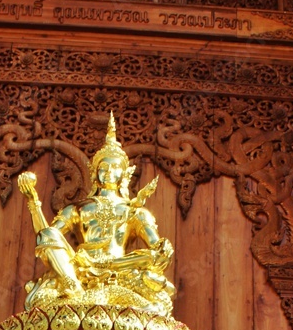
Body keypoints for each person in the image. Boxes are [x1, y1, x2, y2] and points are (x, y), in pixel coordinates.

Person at [18, 113, 175, 315]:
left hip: (120, 271)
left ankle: (84, 299)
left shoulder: (135, 212)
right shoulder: (79, 208)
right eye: (104, 167)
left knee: (153, 295)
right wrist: (33, 202)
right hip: (79, 270)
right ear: (94, 173)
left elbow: (157, 256)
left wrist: (161, 251)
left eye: (115, 167)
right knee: (47, 235)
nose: (109, 171)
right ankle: (71, 286)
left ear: (124, 175)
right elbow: (47, 238)